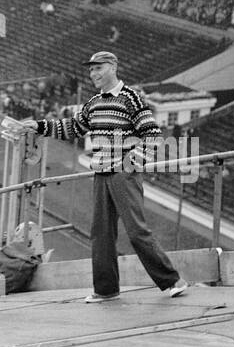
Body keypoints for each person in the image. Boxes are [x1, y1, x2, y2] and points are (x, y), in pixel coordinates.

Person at [25, 51, 187, 304]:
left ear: (112, 67)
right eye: (91, 70)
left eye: (98, 68)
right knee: (100, 234)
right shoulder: (94, 102)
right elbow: (73, 127)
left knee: (136, 232)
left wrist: (129, 165)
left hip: (123, 174)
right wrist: (40, 126)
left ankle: (172, 281)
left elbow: (153, 135)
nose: (93, 74)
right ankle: (106, 290)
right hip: (101, 174)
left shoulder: (131, 98)